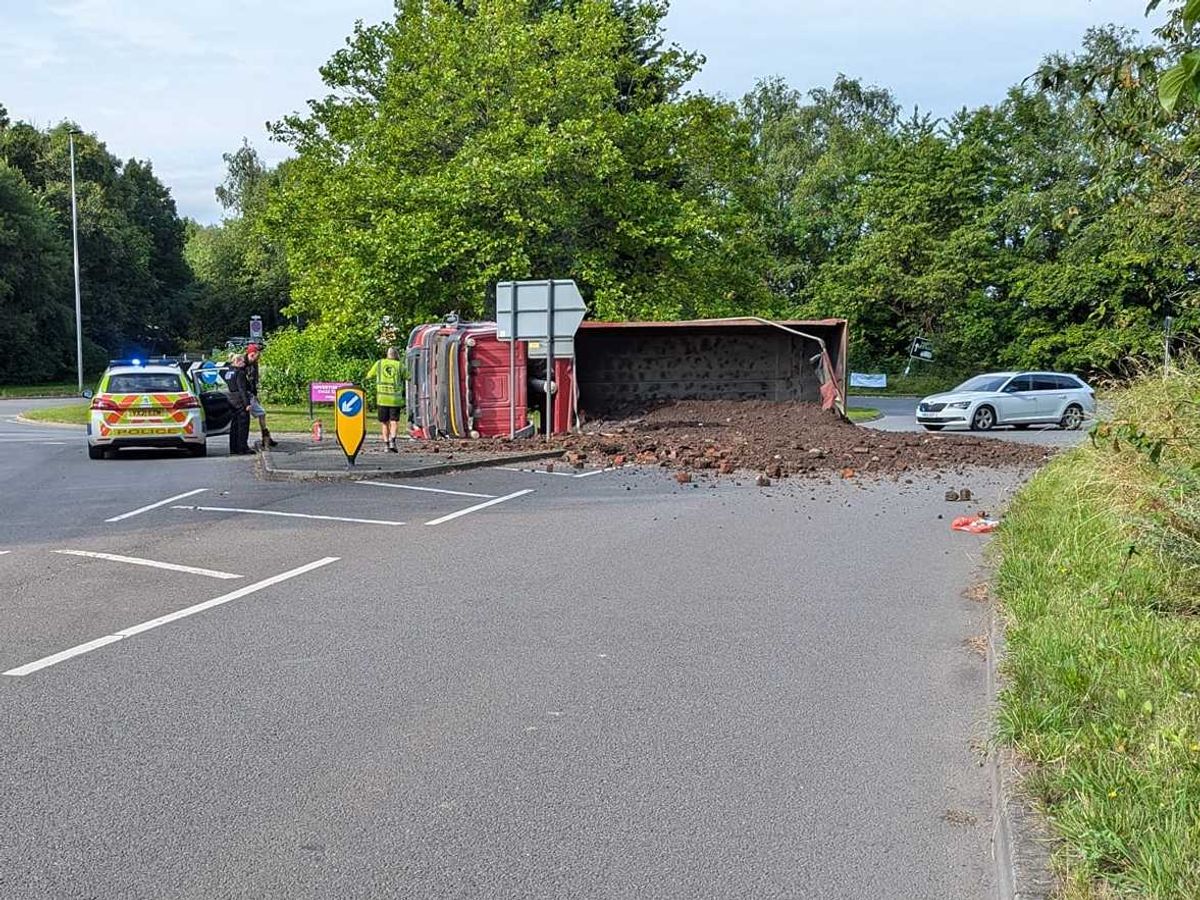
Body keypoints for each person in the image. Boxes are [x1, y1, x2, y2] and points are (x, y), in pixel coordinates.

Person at [367, 347, 404, 452]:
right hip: (395, 399)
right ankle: (393, 441)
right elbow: (408, 376)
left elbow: (369, 375)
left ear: (387, 355)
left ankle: (386, 445)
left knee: (384, 422)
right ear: (396, 355)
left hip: (382, 399)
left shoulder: (379, 364)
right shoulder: (400, 365)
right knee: (394, 421)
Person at [244, 344, 278, 448]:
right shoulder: (243, 364)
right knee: (261, 413)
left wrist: (255, 395)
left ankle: (266, 437)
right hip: (246, 395)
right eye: (258, 355)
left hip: (251, 394)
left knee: (261, 414)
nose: (259, 358)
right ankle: (265, 437)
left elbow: (254, 381)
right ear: (252, 354)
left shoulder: (254, 364)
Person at [224, 354, 253, 455]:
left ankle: (233, 448)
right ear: (237, 362)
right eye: (242, 362)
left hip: (231, 400)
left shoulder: (228, 372)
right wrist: (247, 404)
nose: (244, 364)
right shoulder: (239, 373)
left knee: (234, 425)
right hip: (240, 400)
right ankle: (242, 448)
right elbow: (242, 389)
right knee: (243, 425)